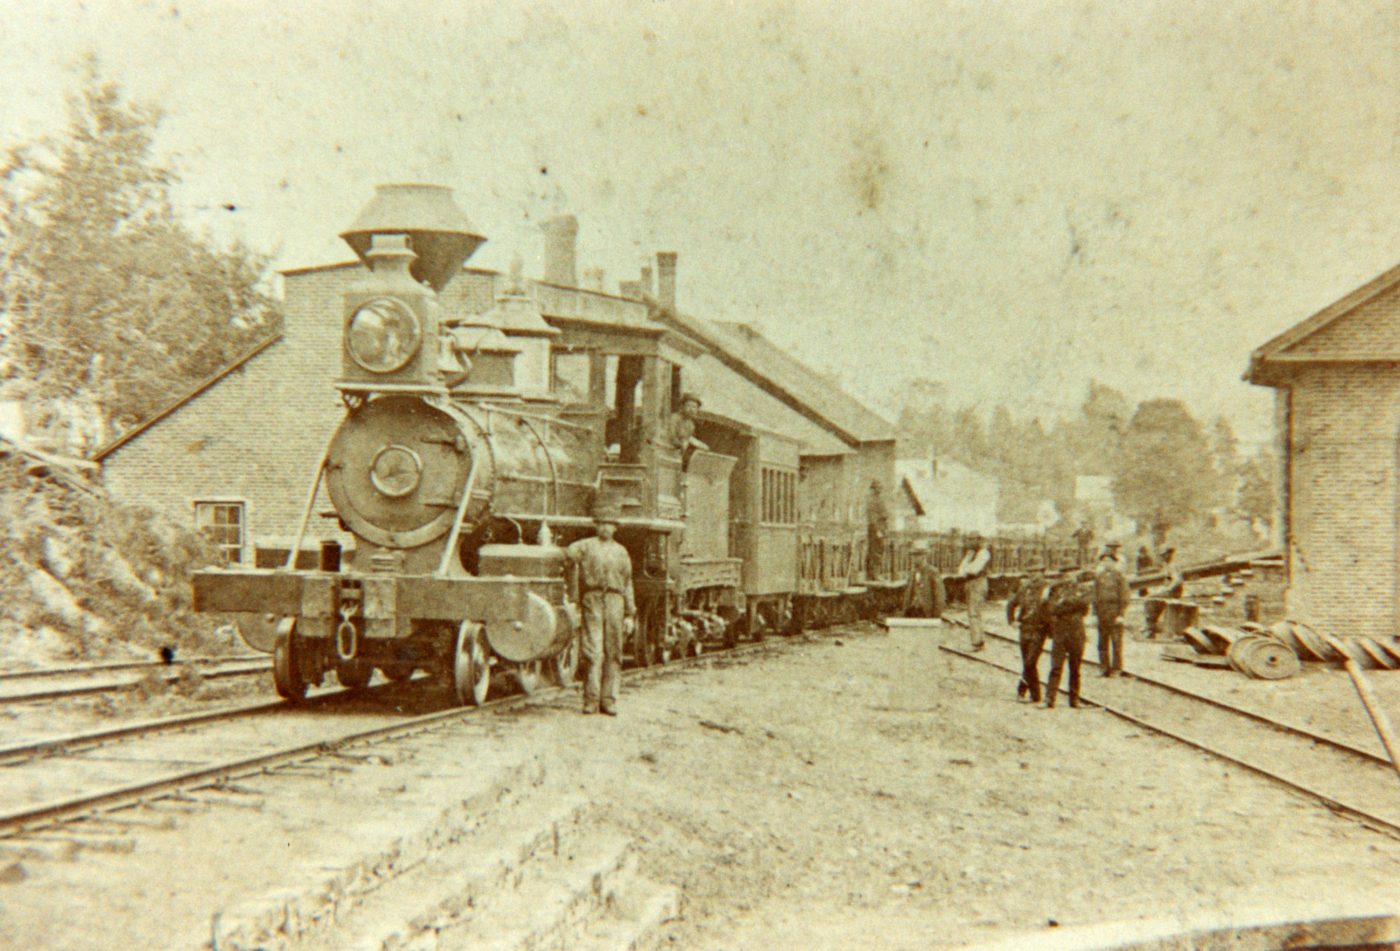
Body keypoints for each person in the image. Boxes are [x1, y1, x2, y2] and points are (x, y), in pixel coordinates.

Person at [565, 501, 637, 716]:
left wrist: (630, 614)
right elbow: (568, 556)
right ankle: (591, 700)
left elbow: (628, 583)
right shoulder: (585, 546)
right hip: (593, 600)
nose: (605, 527)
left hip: (616, 601)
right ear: (596, 526)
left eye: (609, 524)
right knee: (593, 652)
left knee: (614, 652)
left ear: (615, 528)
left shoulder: (621, 551)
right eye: (602, 524)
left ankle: (609, 700)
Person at [1044, 570, 1091, 708]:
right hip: (1060, 631)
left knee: (1075, 668)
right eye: (1065, 573)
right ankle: (1050, 699)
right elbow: (1052, 608)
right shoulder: (1055, 589)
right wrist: (1071, 605)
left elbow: (1084, 606)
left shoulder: (1083, 588)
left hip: (1076, 632)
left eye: (1071, 573)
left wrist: (1063, 603)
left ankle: (1074, 700)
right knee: (1056, 666)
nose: (1068, 576)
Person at [1006, 561, 1051, 702]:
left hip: (1039, 629)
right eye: (1030, 572)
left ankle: (1023, 691)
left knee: (1030, 662)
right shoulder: (1024, 588)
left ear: (1042, 572)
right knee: (1027, 661)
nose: (1033, 575)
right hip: (1025, 628)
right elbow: (1011, 604)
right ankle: (1034, 695)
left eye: (1036, 572)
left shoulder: (1048, 588)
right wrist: (1012, 620)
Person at [1093, 544, 1130, 676]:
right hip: (1102, 612)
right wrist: (1094, 614)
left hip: (1114, 612)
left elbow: (1124, 597)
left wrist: (1121, 614)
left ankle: (1117, 668)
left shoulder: (1119, 577)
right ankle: (1104, 668)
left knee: (1116, 641)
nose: (1106, 563)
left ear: (1114, 563)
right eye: (1104, 561)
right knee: (1102, 642)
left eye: (1109, 561)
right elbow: (1095, 596)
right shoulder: (1099, 577)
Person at [955, 533, 991, 651]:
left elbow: (974, 570)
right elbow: (960, 571)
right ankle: (978, 641)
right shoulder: (970, 553)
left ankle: (977, 643)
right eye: (969, 539)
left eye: (972, 539)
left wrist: (966, 569)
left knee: (974, 613)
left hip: (978, 582)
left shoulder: (984, 553)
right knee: (972, 612)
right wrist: (966, 569)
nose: (969, 542)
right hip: (970, 583)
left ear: (978, 540)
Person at [1145, 546, 1184, 638]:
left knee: (1152, 600)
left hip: (1174, 592)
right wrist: (1161, 589)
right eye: (1162, 555)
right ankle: (1152, 626)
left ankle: (1151, 627)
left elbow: (1177, 580)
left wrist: (1168, 588)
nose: (1163, 557)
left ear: (1169, 554)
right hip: (1171, 591)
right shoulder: (1166, 566)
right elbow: (1168, 580)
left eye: (1164, 555)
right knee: (1152, 598)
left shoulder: (1172, 565)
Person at [665, 392, 709, 466]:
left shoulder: (691, 424)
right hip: (667, 451)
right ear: (682, 406)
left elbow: (688, 440)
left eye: (694, 407)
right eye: (689, 406)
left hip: (679, 455)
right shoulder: (674, 418)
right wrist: (682, 443)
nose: (691, 409)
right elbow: (671, 437)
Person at [902, 546, 945, 619]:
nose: (913, 559)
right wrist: (905, 611)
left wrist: (936, 615)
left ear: (923, 557)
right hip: (912, 611)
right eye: (913, 556)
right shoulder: (912, 572)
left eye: (916, 556)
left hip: (926, 612)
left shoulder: (932, 572)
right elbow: (908, 594)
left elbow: (939, 596)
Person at [866, 481, 889, 580]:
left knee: (880, 549)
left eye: (880, 487)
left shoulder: (880, 499)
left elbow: (884, 516)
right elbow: (872, 517)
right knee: (875, 551)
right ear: (873, 489)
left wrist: (885, 529)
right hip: (875, 528)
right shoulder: (872, 500)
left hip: (881, 527)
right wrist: (877, 531)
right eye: (877, 488)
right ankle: (874, 574)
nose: (879, 489)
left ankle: (875, 573)